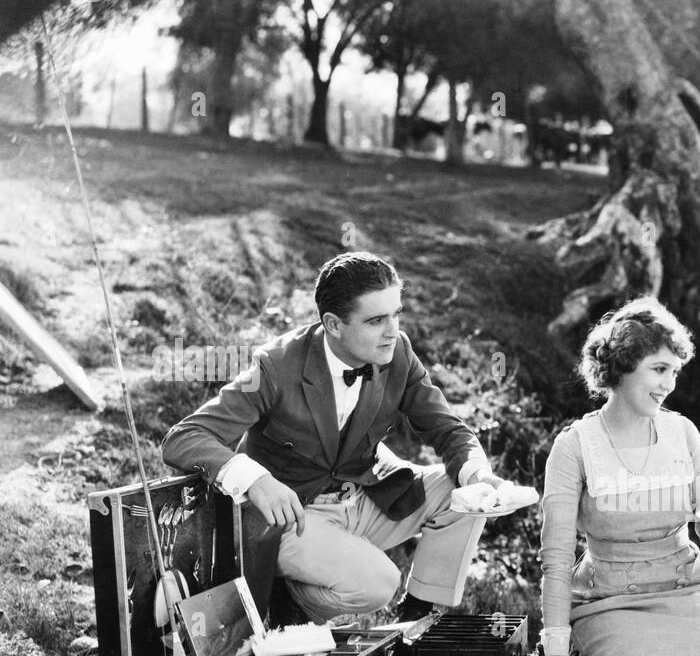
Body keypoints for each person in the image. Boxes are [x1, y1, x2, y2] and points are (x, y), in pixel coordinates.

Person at [162, 251, 504, 623]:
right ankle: (291, 606)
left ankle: (417, 613)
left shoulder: (397, 350)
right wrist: (254, 478)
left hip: (366, 496)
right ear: (333, 324)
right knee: (378, 583)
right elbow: (184, 437)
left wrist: (477, 472)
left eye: (396, 314)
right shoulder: (275, 367)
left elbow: (447, 428)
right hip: (293, 519)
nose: (392, 330)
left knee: (471, 498)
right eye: (376, 320)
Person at [531, 298, 700, 656]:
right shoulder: (575, 446)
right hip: (609, 598)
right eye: (659, 369)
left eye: (675, 371)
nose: (669, 384)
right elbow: (557, 559)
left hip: (684, 591)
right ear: (622, 366)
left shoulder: (683, 433)